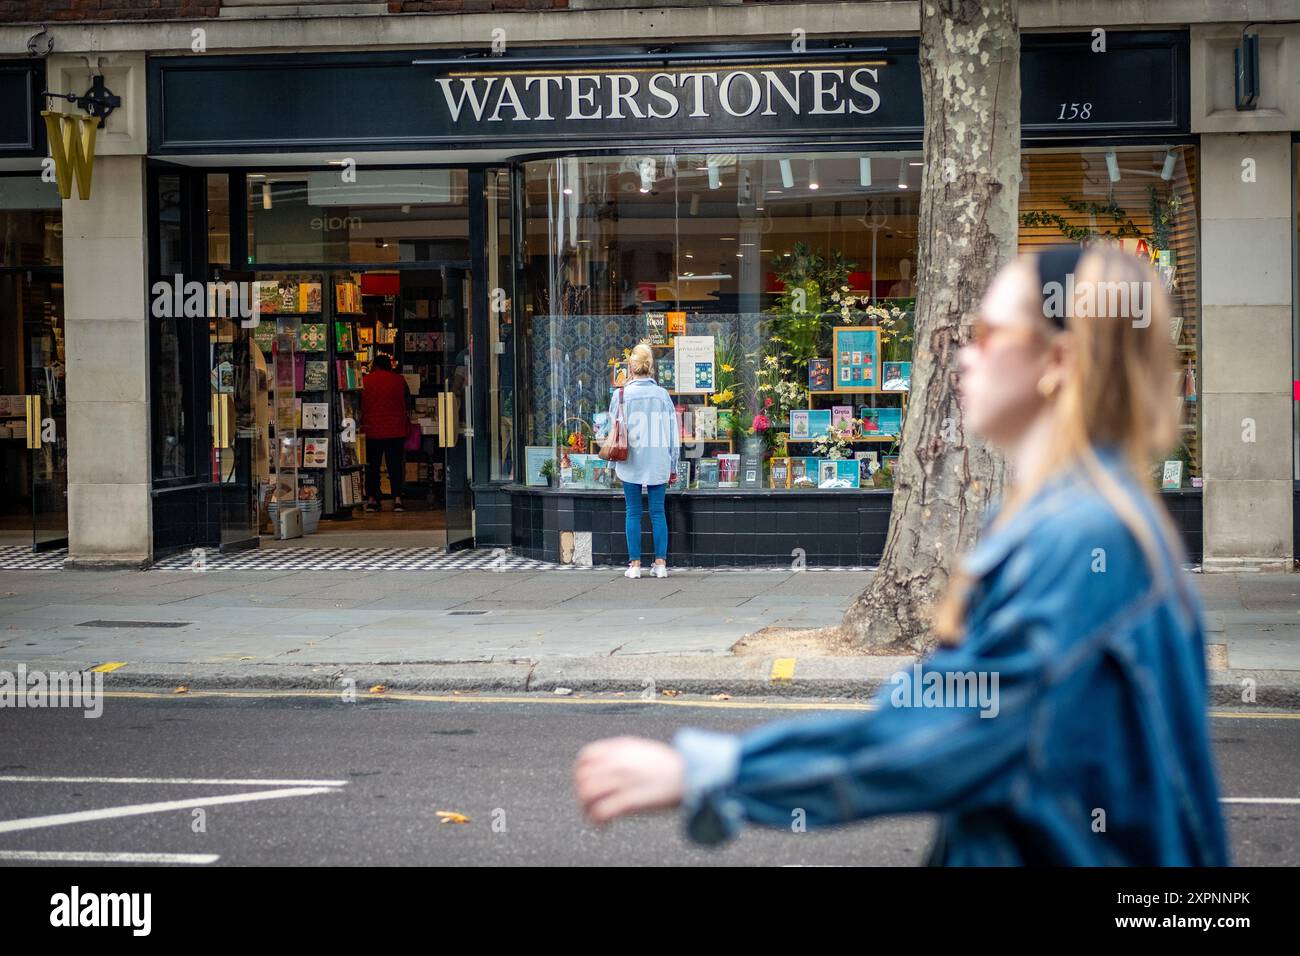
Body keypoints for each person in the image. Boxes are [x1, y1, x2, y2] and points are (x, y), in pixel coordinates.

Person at [574, 246, 1229, 866]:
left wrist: (710, 772)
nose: (961, 358)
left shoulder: (1084, 540)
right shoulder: (1074, 521)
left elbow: (931, 735)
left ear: (1058, 363)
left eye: (987, 335)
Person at [612, 341, 680, 580]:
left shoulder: (621, 395)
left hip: (630, 460)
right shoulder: (662, 396)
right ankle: (660, 564)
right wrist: (674, 465)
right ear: (651, 367)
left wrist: (612, 465)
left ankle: (635, 565)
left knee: (633, 511)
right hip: (658, 459)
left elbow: (614, 431)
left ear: (631, 367)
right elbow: (673, 434)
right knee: (657, 512)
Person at [360, 353, 410, 513]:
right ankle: (397, 498)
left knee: (372, 466)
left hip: (372, 428)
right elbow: (408, 401)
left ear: (374, 365)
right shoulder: (399, 380)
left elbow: (359, 403)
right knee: (395, 465)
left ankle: (372, 498)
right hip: (395, 429)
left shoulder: (365, 380)